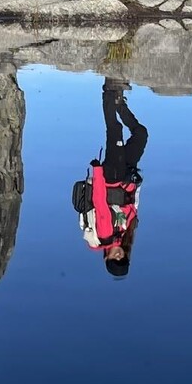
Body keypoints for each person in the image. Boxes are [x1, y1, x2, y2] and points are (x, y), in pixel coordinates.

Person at [75, 78, 148, 278]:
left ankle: (109, 92)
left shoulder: (106, 234)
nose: (119, 256)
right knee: (140, 134)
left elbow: (100, 202)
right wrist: (136, 182)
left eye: (115, 260)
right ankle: (119, 103)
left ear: (106, 258)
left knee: (114, 131)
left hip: (110, 177)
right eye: (123, 259)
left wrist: (97, 171)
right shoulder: (126, 234)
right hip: (125, 176)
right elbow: (133, 204)